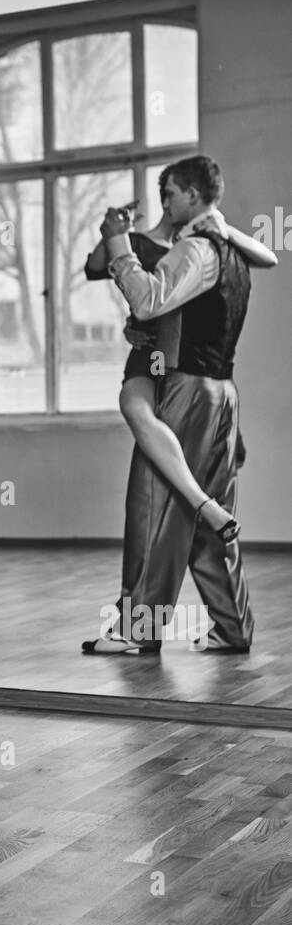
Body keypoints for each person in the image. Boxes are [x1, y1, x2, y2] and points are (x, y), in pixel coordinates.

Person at [83, 155, 259, 656]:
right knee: (210, 517)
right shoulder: (235, 254)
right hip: (224, 394)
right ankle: (232, 626)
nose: (167, 202)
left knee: (155, 504)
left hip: (186, 389)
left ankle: (139, 628)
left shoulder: (194, 251)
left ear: (194, 196)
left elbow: (145, 302)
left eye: (173, 193)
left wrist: (120, 247)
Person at [83, 171, 277, 544]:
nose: (168, 202)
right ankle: (202, 505)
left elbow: (268, 257)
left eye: (173, 194)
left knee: (219, 446)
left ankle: (204, 514)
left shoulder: (202, 244)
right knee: (134, 407)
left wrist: (219, 227)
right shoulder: (139, 242)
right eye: (165, 194)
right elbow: (95, 267)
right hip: (151, 354)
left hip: (193, 363)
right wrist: (113, 232)